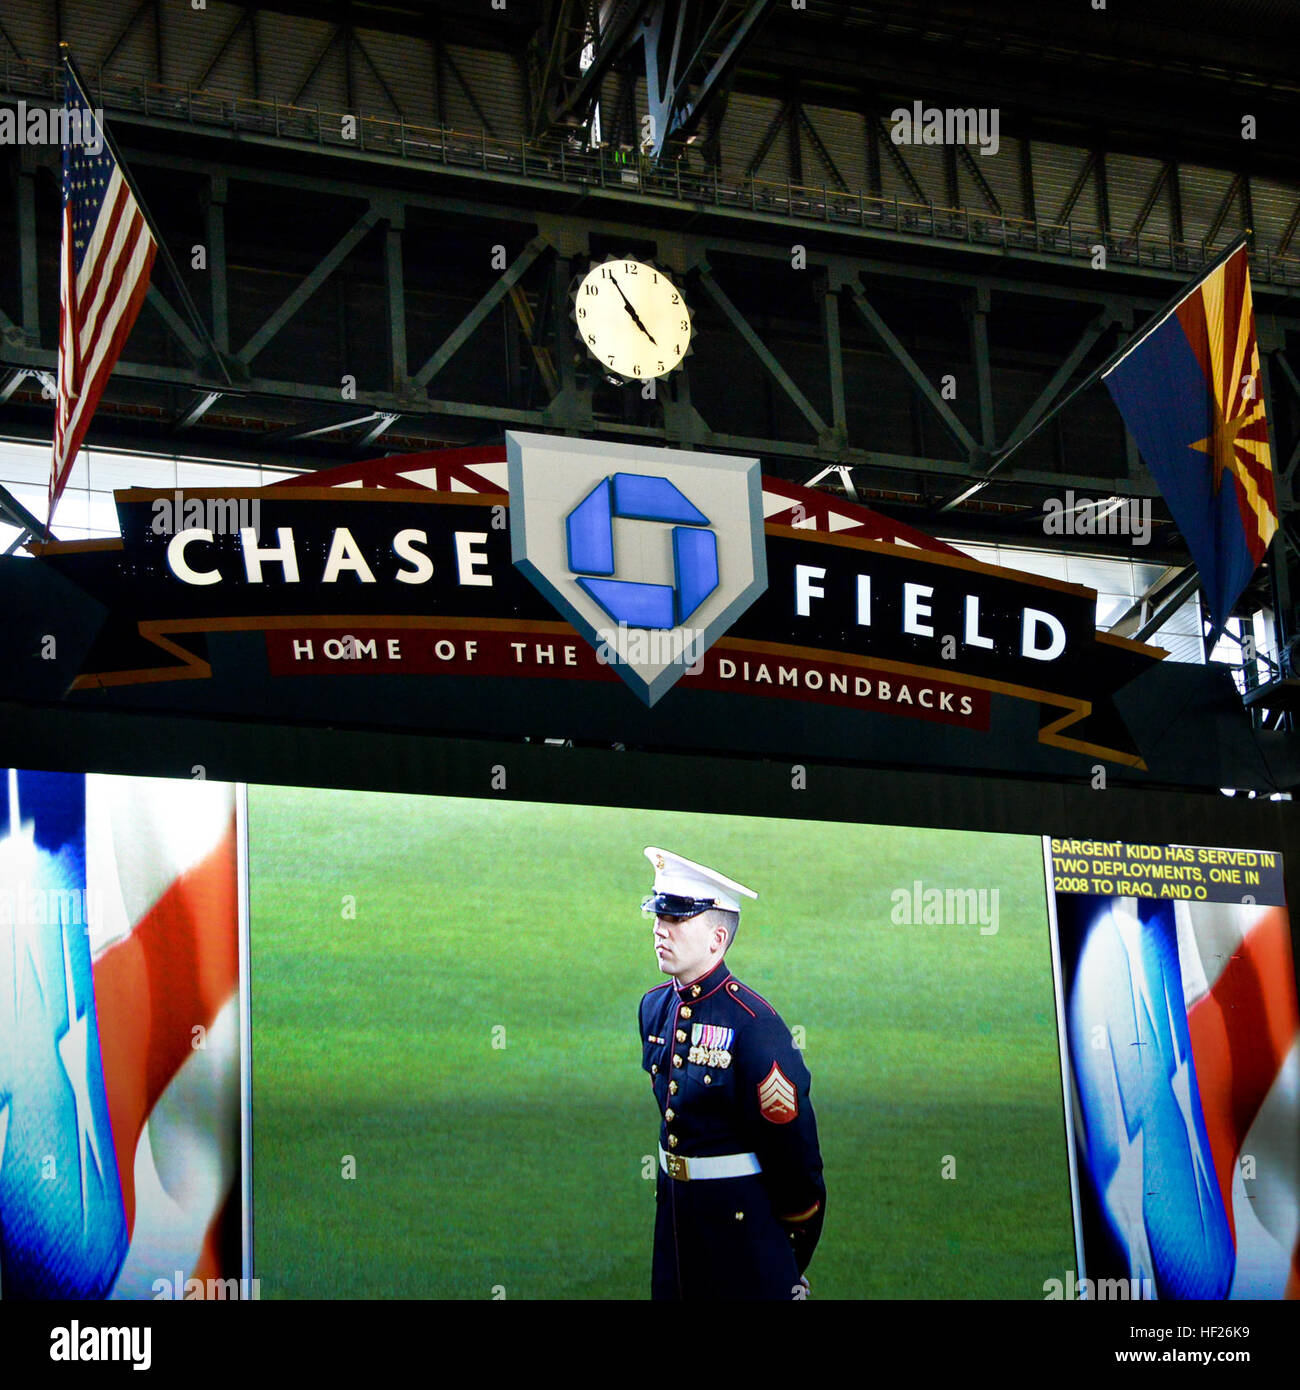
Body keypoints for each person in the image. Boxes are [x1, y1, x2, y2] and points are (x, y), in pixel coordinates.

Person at [637, 846, 825, 1300]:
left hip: (742, 1244)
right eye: (659, 917)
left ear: (717, 939)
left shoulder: (755, 1027)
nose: (661, 930)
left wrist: (783, 1258)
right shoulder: (654, 1008)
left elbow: (796, 1165)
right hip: (676, 1236)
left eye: (677, 920)